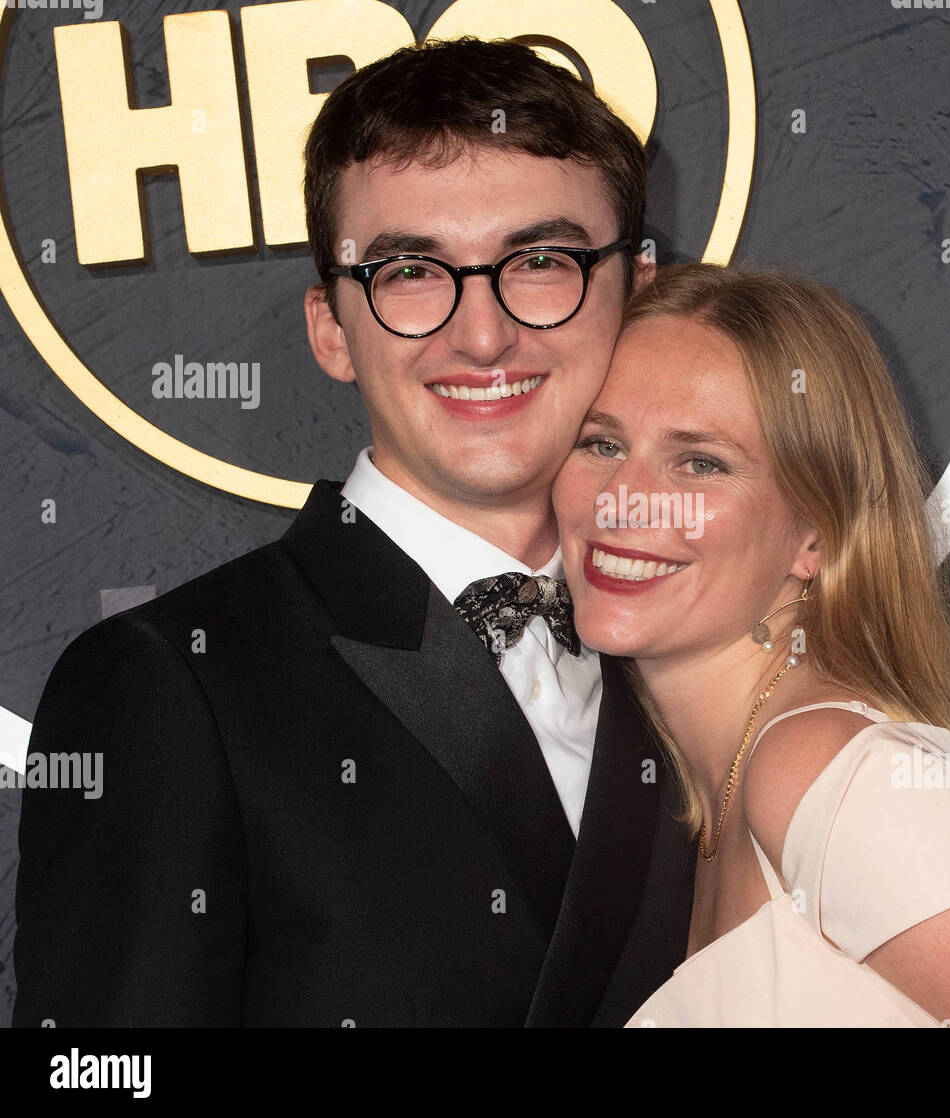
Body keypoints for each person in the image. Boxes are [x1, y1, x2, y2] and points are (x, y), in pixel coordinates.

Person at [12, 38, 695, 1027]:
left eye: (540, 260)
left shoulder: (714, 641)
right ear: (332, 327)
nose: (483, 334)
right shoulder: (172, 684)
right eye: (413, 271)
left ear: (635, 287)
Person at [553, 262, 950, 1027]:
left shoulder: (827, 770)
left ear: (817, 534)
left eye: (700, 463)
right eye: (599, 443)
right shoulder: (711, 797)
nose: (622, 499)